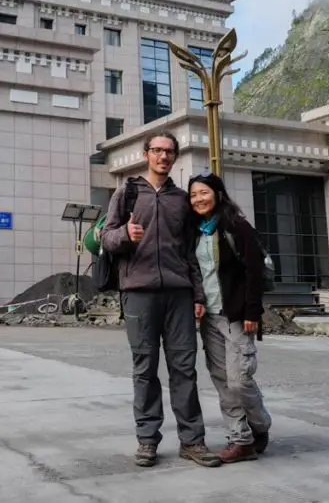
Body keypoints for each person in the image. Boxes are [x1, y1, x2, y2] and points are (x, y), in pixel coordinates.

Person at [99, 132, 221, 469]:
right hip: (138, 294)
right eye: (157, 151)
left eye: (169, 152)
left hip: (179, 295)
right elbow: (106, 237)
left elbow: (190, 252)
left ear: (175, 157)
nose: (163, 156)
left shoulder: (182, 200)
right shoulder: (126, 193)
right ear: (146, 154)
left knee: (184, 369)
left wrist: (197, 294)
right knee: (145, 370)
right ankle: (148, 440)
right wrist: (126, 235)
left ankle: (193, 441)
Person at [187, 172, 273, 463]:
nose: (198, 199)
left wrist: (253, 311)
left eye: (204, 193)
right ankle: (241, 440)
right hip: (209, 317)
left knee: (240, 380)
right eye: (194, 194)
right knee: (223, 381)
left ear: (218, 194)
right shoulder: (196, 230)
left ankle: (260, 425)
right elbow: (197, 272)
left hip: (236, 315)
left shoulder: (237, 227)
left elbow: (254, 271)